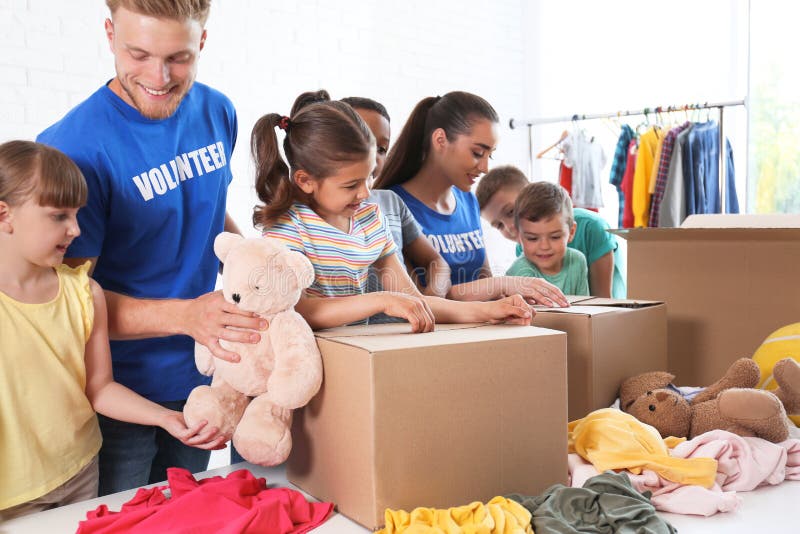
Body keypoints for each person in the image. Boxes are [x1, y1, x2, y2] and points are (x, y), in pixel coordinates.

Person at [36, 0, 263, 495]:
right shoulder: (73, 149)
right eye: (138, 54)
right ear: (109, 33)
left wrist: (257, 270)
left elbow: (206, 210)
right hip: (119, 396)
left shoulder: (218, 110)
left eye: (178, 58)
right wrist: (187, 317)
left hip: (206, 380)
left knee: (191, 518)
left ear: (202, 42)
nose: (159, 77)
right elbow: (67, 304)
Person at [0, 141, 224, 521]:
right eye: (58, 216)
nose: (75, 229)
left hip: (81, 475)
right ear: (5, 215)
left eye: (77, 214)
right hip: (12, 497)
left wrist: (165, 418)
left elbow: (99, 388)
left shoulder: (85, 293)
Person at [251, 93, 533, 331]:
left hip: (357, 355)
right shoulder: (287, 227)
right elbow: (302, 310)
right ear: (305, 180)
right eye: (351, 184)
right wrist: (382, 300)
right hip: (304, 358)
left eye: (368, 178)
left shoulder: (369, 218)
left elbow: (412, 299)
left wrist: (490, 311)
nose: (365, 193)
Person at [373, 91, 569, 307]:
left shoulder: (467, 200)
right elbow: (419, 300)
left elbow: (484, 281)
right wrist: (503, 285)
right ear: (440, 140)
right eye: (477, 153)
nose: (485, 168)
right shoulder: (394, 207)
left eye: (490, 155)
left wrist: (512, 293)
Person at [340, 95, 451, 305]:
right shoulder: (308, 216)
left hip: (404, 327)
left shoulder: (390, 202)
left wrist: (431, 301)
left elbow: (437, 262)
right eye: (362, 143)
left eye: (381, 149)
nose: (374, 157)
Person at [476, 165, 626, 298]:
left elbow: (603, 299)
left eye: (511, 212)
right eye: (499, 225)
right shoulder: (523, 249)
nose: (510, 226)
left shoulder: (592, 227)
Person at [504, 181, 590, 296]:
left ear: (571, 232)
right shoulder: (519, 273)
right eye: (532, 238)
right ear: (519, 235)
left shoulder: (577, 261)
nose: (544, 246)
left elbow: (586, 308)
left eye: (555, 237)